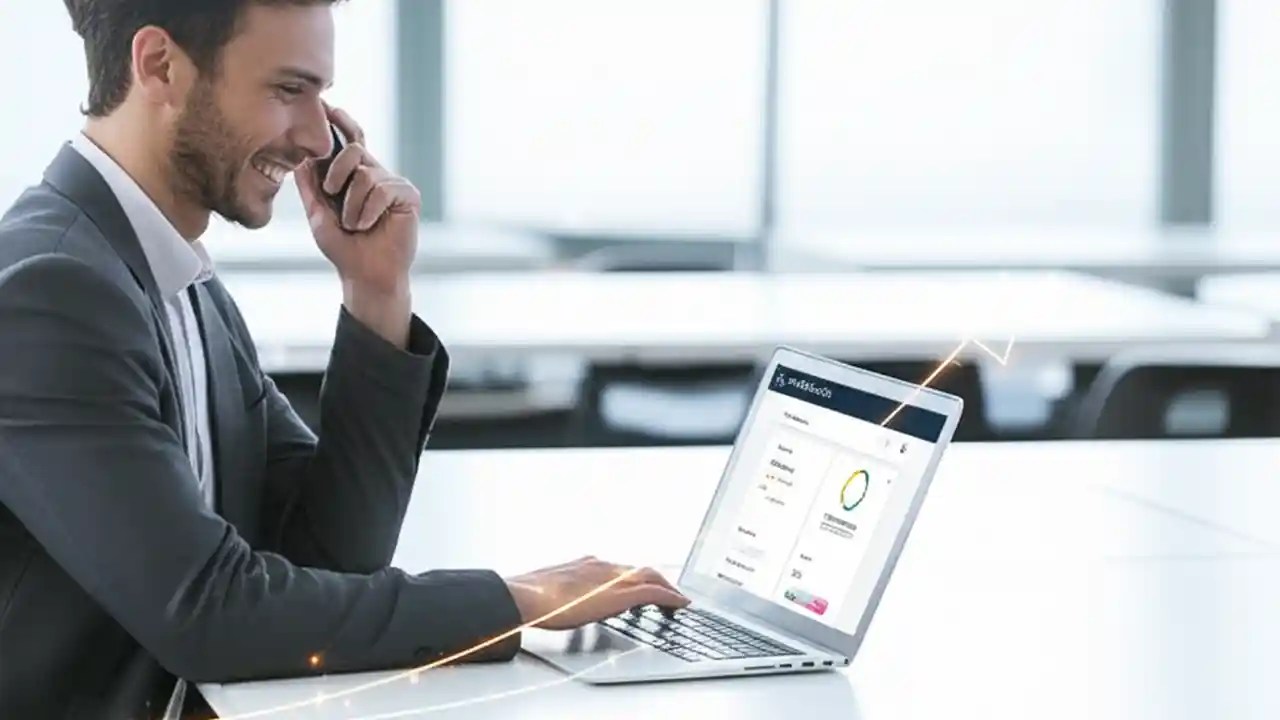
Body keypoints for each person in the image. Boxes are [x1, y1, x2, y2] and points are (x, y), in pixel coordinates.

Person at [0, 1, 686, 716]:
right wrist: (515, 601)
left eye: (321, 96)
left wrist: (375, 291)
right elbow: (211, 613)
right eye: (288, 90)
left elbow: (329, 558)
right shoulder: (53, 292)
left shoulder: (175, 284)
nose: (317, 135)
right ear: (160, 66)